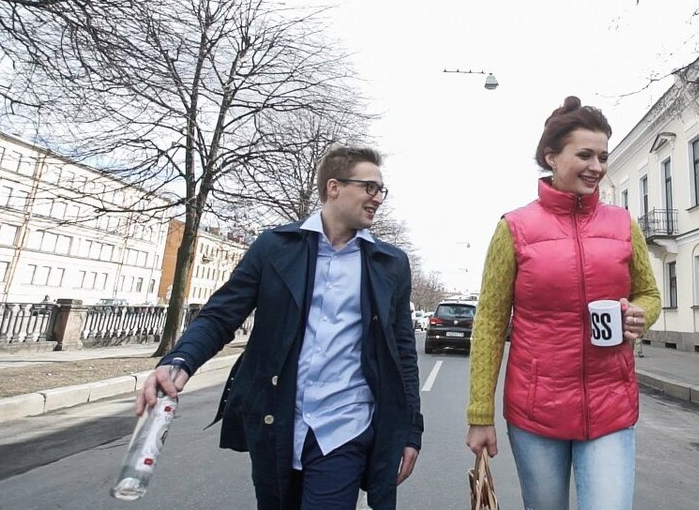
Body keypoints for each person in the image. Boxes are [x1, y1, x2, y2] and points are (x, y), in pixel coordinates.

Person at [134, 145, 423, 509]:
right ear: (334, 187)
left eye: (381, 190)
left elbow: (403, 355)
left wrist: (411, 430)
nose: (377, 198)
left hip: (345, 426)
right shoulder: (274, 247)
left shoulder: (389, 264)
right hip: (277, 420)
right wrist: (180, 362)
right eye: (370, 187)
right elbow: (221, 314)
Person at [465, 96, 662, 510]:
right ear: (551, 157)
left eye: (603, 156)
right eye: (585, 154)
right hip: (537, 411)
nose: (597, 166)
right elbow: (489, 324)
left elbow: (649, 293)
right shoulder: (514, 229)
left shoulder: (623, 224)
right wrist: (480, 414)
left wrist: (640, 316)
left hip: (611, 404)